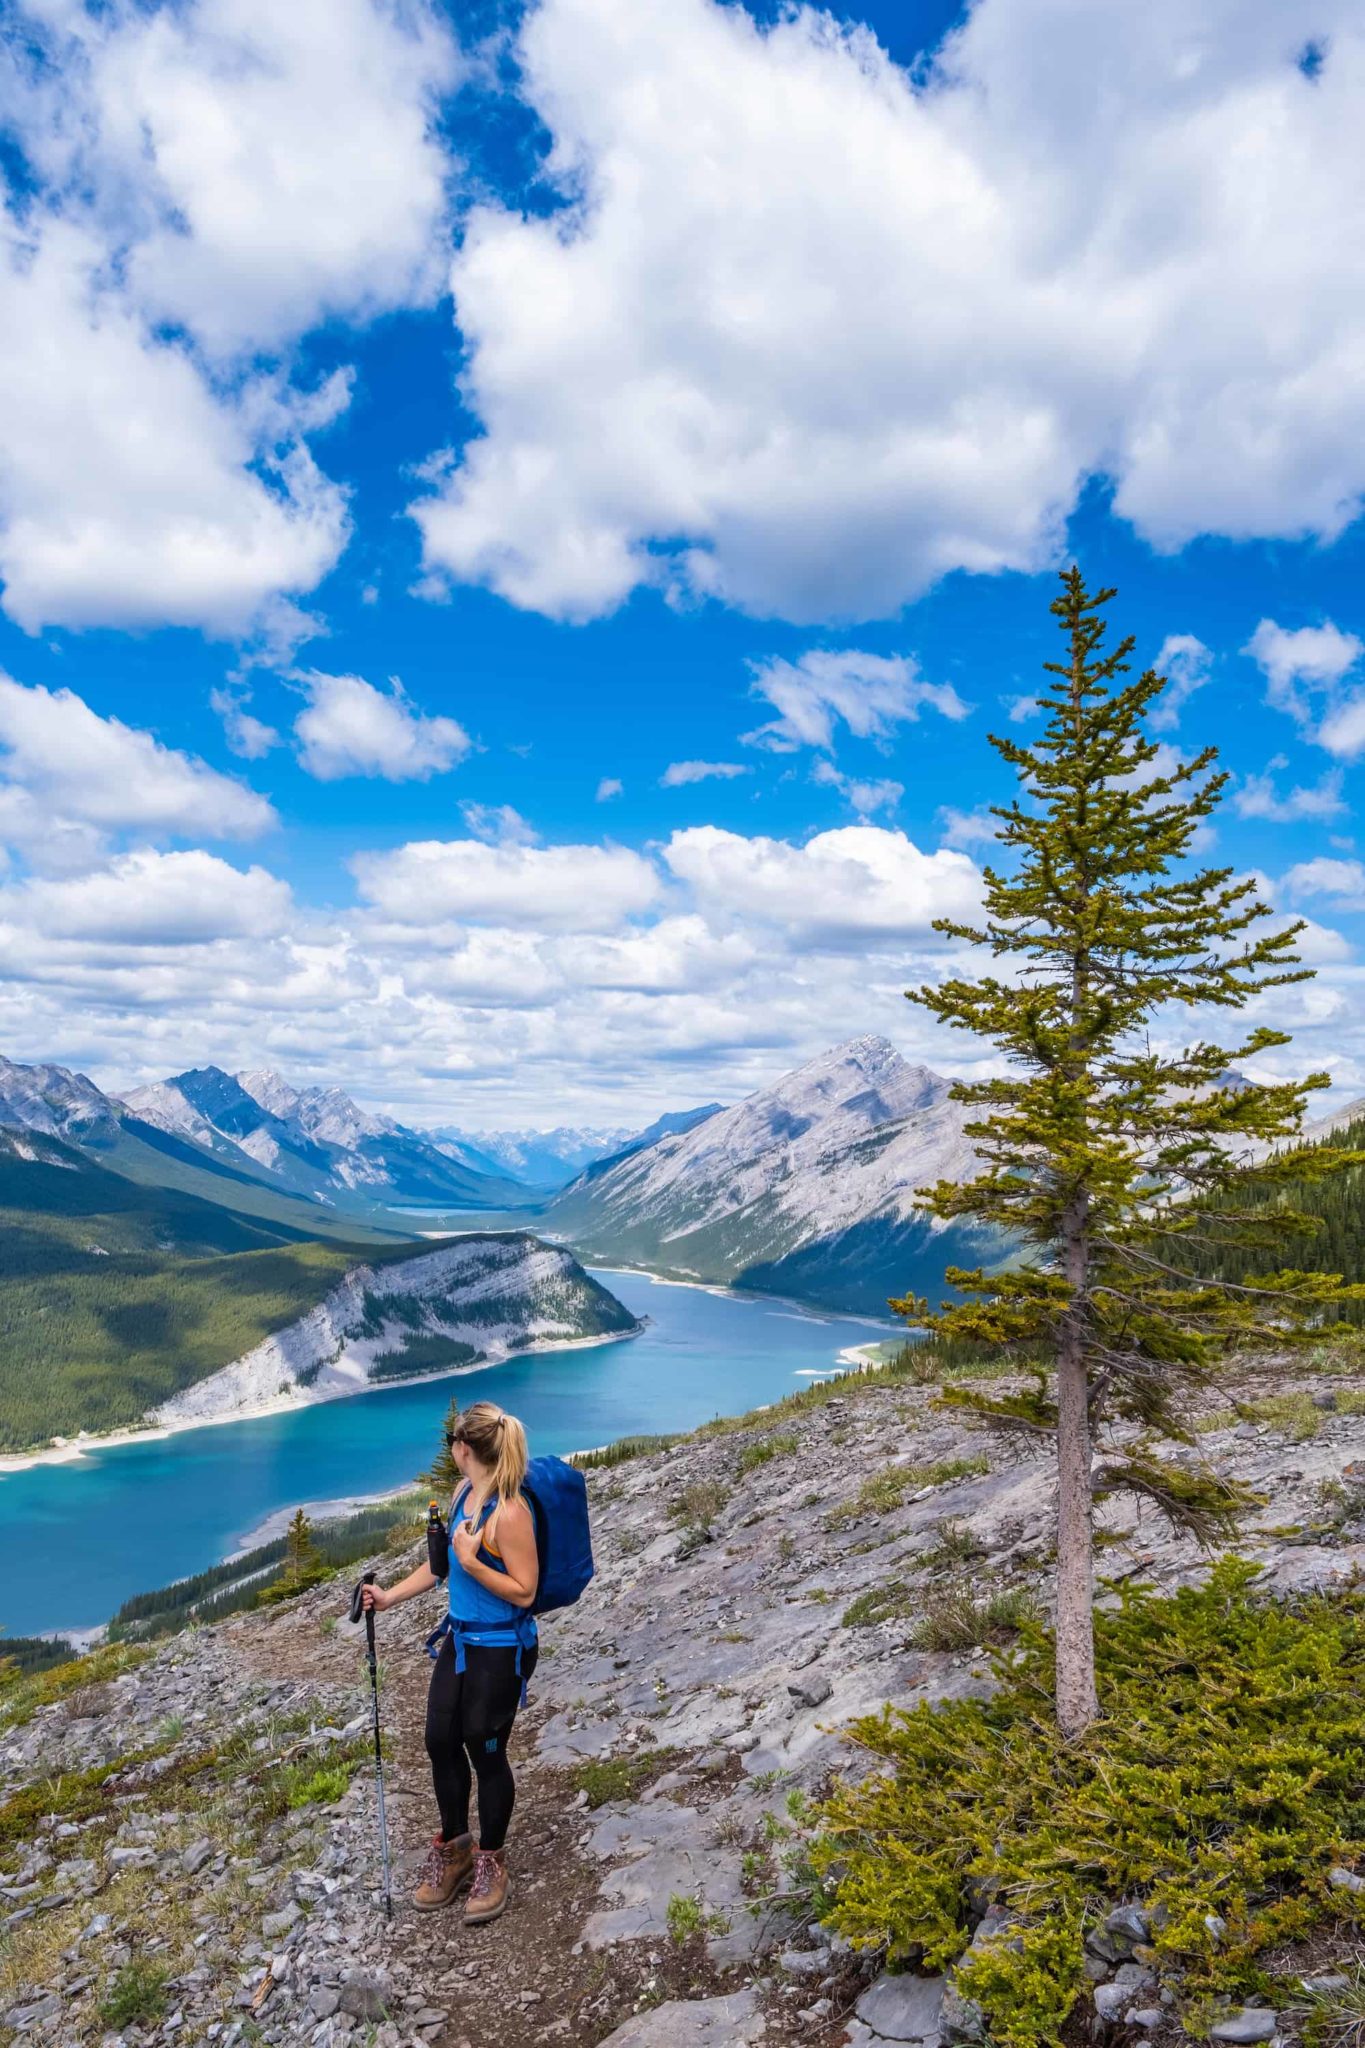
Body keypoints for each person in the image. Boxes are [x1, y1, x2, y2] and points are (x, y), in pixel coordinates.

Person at [362, 1401, 539, 1925]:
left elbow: (525, 1591)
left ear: (464, 1449)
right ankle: (456, 1845)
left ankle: (492, 1859)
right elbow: (441, 1570)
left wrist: (470, 1560)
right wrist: (390, 1596)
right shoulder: (464, 1494)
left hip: (499, 1648)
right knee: (439, 1740)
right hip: (459, 1642)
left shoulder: (510, 1512)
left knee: (485, 1749)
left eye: (453, 1446)